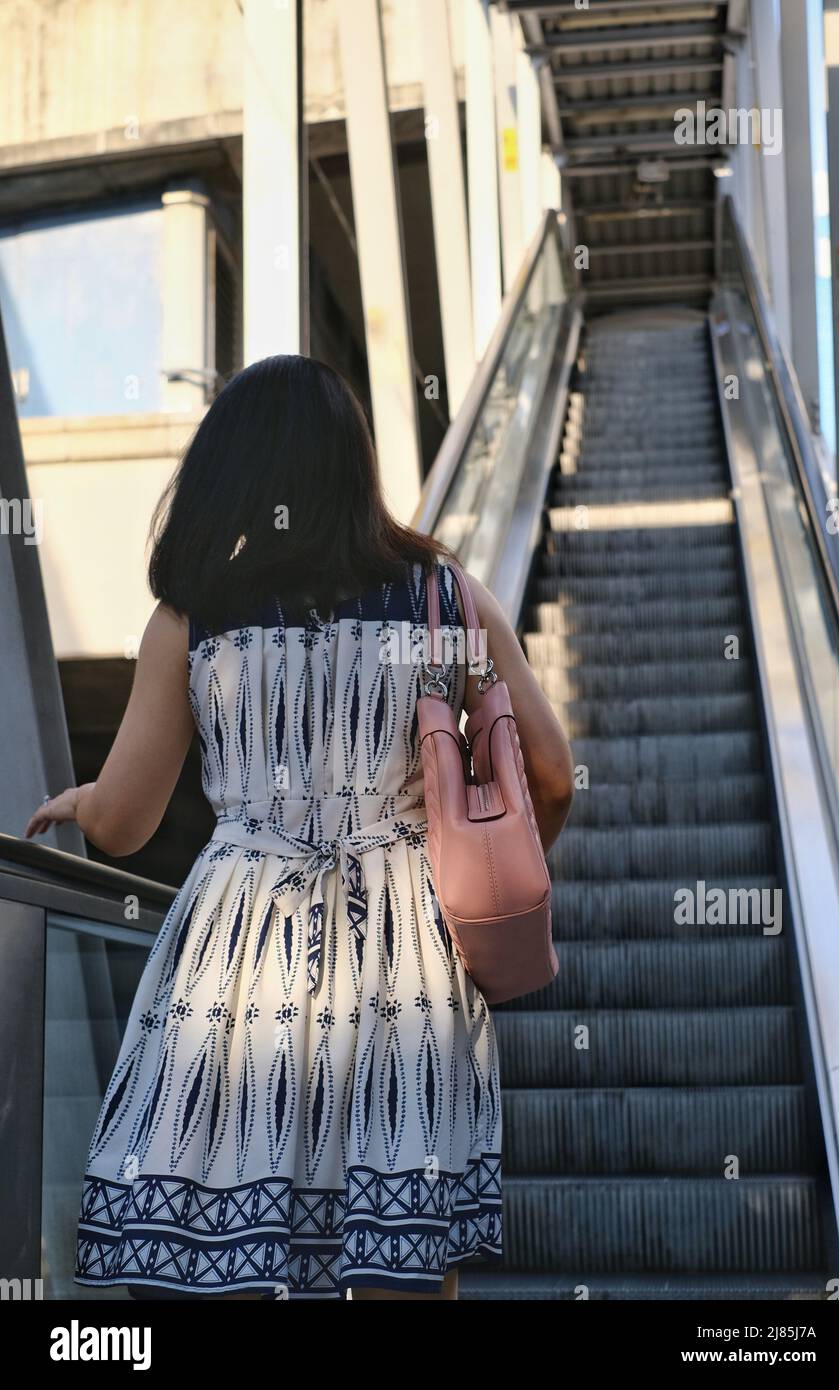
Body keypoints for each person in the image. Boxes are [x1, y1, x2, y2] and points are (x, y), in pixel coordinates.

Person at [26, 354, 574, 1301]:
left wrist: (83, 800)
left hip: (235, 963)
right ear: (351, 464)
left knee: (208, 1241)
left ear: (230, 473)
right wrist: (468, 881)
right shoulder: (444, 600)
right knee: (399, 1253)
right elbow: (552, 775)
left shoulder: (192, 620)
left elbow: (122, 824)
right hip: (407, 958)